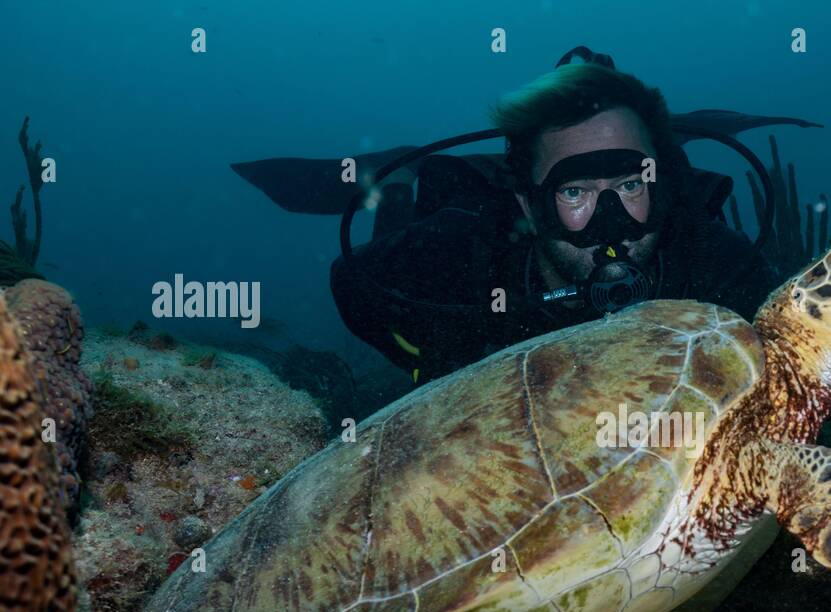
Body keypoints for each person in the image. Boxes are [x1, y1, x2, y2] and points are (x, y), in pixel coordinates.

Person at [329, 62, 779, 383]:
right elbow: (351, 283)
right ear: (529, 206)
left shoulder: (721, 266)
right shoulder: (460, 252)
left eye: (628, 186)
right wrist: (426, 362)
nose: (611, 225)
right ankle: (396, 185)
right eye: (573, 191)